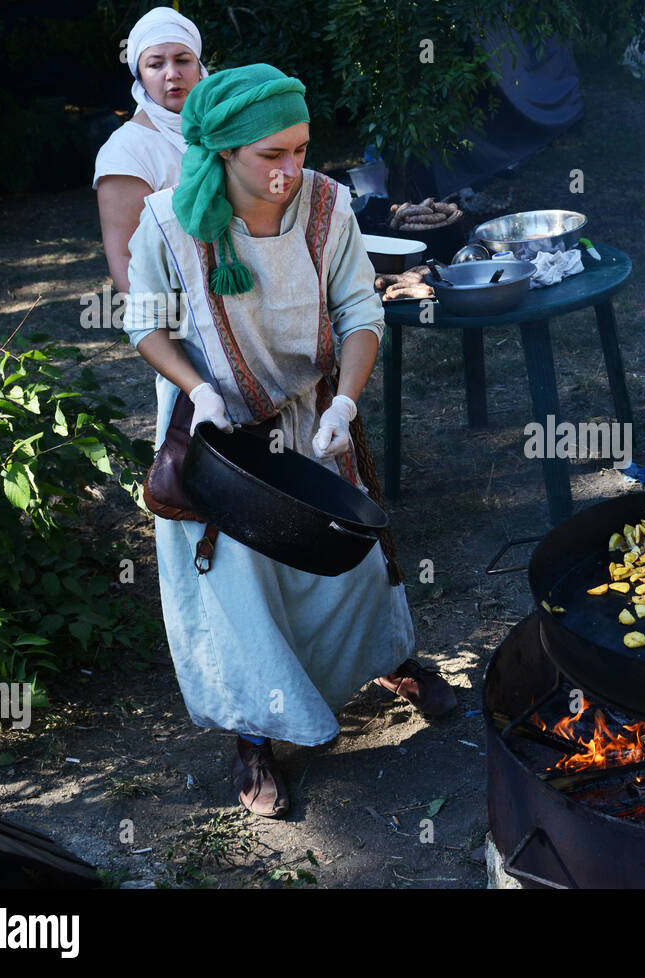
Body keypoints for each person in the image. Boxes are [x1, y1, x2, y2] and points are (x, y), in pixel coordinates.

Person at [123, 63, 455, 819]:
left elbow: (362, 312)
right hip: (220, 437)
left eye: (300, 148)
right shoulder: (168, 221)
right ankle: (255, 735)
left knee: (351, 562)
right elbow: (146, 324)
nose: (291, 169)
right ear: (223, 152)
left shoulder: (329, 206)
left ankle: (387, 663)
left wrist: (344, 401)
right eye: (272, 154)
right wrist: (201, 390)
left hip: (312, 415)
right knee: (242, 586)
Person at [94, 7, 207, 292]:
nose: (172, 74)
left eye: (183, 60)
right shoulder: (125, 152)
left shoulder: (228, 129)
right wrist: (154, 331)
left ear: (200, 67)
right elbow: (124, 258)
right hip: (182, 311)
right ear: (139, 75)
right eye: (156, 65)